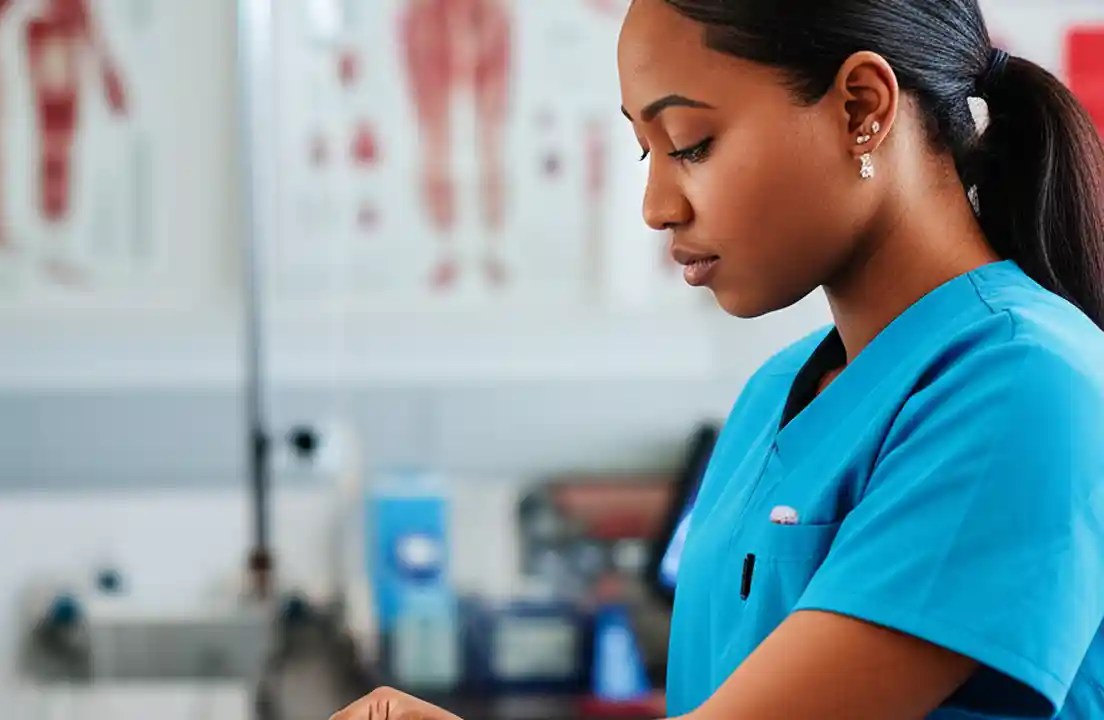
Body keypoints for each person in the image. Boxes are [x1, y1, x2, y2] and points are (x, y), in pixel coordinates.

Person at [332, 0, 1104, 718]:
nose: (657, 207)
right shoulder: (776, 393)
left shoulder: (1024, 386)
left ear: (861, 108)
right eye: (647, 153)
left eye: (690, 146)